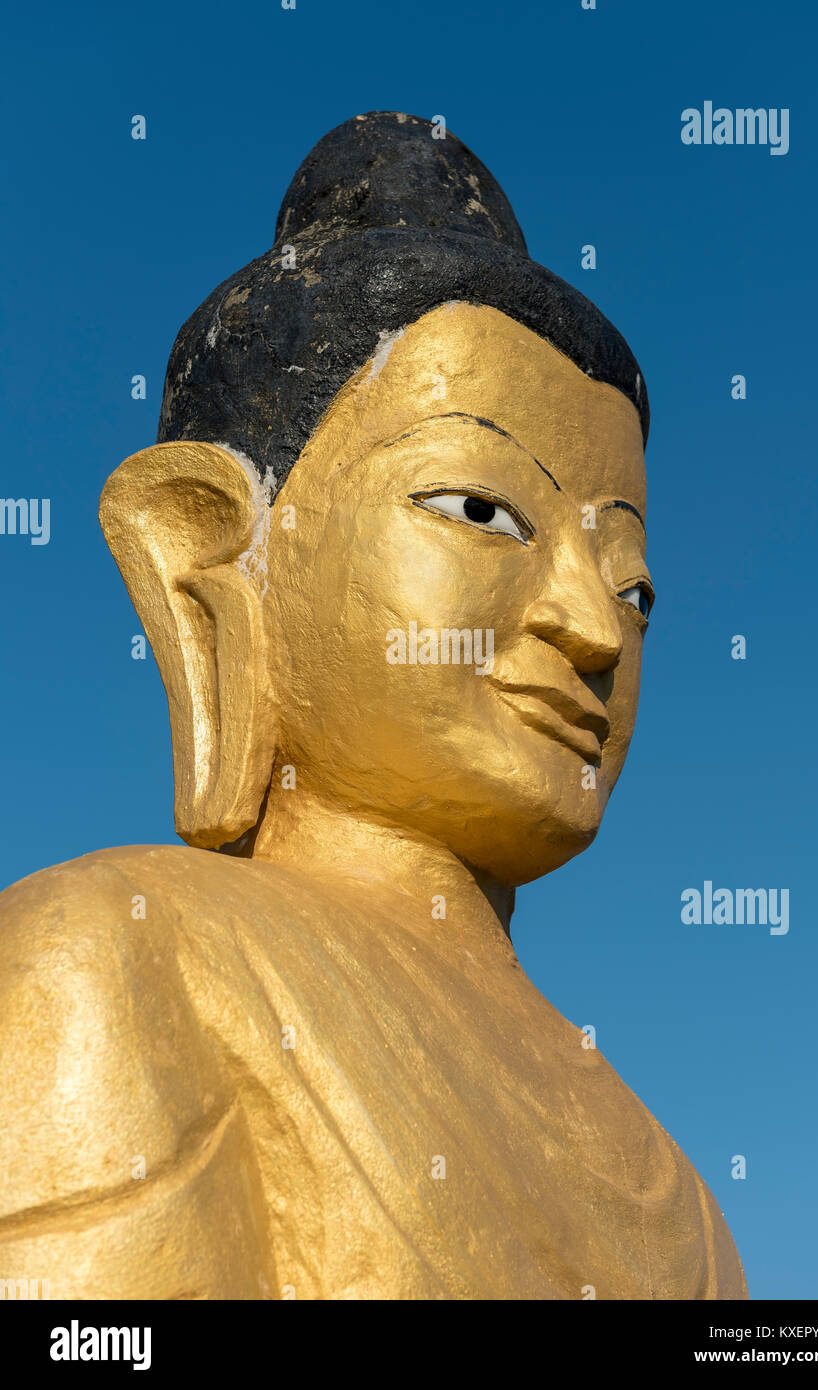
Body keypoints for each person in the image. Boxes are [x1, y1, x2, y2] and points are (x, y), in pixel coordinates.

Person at [0, 112, 747, 1300]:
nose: (596, 627)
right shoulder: (119, 963)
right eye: (483, 511)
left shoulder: (683, 1200)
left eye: (633, 578)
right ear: (211, 559)